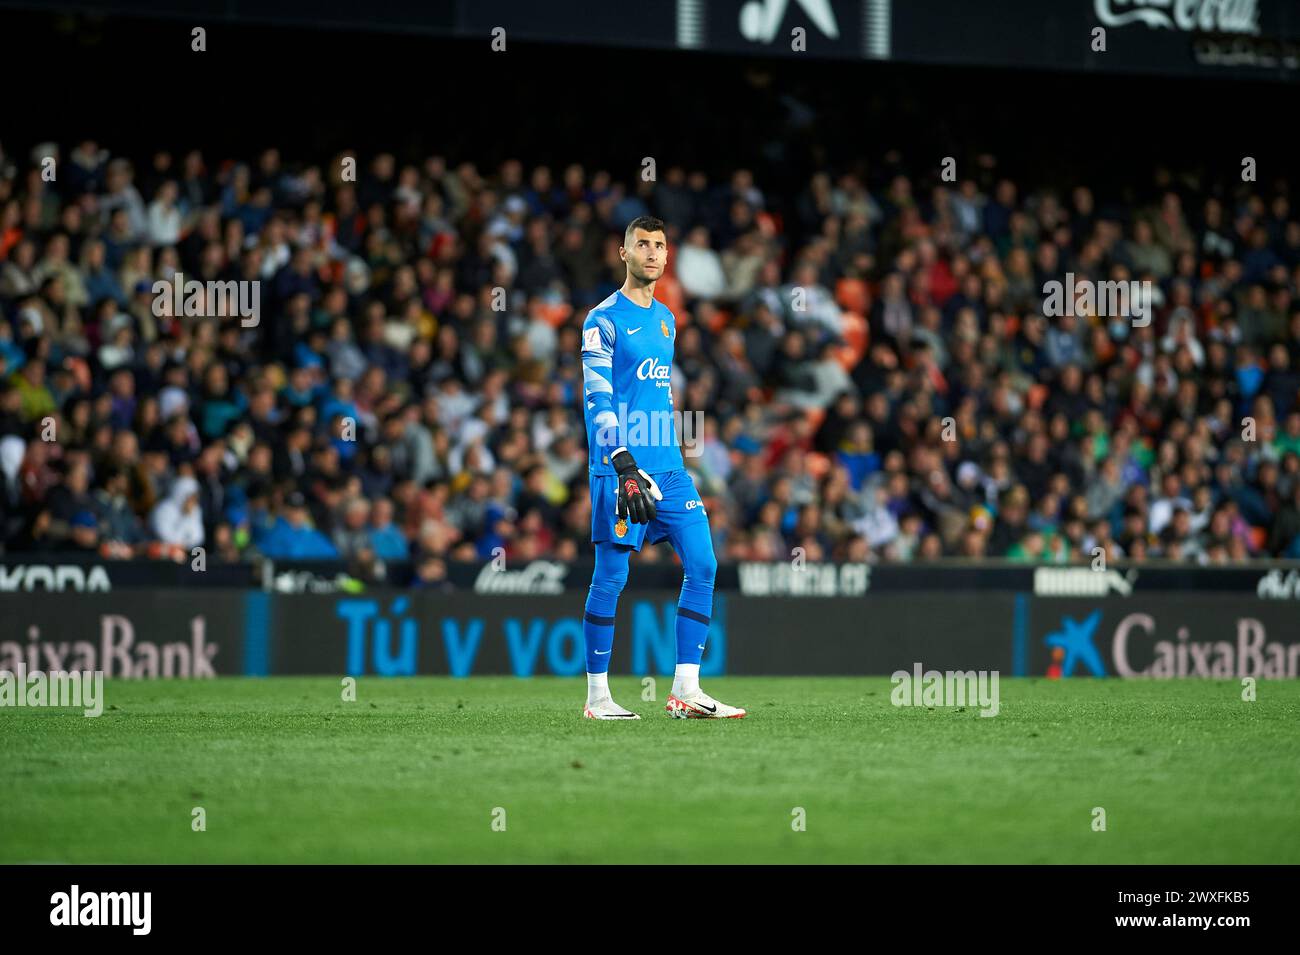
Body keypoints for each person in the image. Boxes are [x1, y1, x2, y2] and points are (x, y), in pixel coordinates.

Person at [578, 216, 746, 720]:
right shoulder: (601, 319)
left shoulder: (668, 319)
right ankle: (597, 698)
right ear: (622, 252)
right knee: (610, 577)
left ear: (668, 256)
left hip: (668, 468)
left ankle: (686, 690)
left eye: (659, 246)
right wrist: (623, 461)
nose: (651, 253)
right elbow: (598, 396)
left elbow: (657, 395)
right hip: (620, 468)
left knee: (704, 565)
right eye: (642, 245)